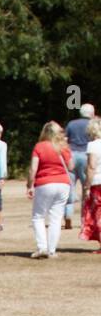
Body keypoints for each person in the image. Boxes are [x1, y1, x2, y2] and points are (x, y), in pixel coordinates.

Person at [26, 121, 72, 259]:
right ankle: (52, 250)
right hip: (63, 183)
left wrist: (30, 185)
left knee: (38, 216)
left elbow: (33, 168)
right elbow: (71, 166)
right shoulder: (63, 147)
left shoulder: (39, 146)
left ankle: (42, 248)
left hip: (44, 183)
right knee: (56, 218)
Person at [63, 101, 94, 230]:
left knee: (69, 187)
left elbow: (65, 140)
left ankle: (68, 216)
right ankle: (83, 221)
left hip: (72, 155)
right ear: (91, 113)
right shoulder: (93, 125)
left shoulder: (71, 124)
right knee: (86, 188)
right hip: (86, 155)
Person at [78, 116, 101, 251]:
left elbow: (91, 166)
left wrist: (87, 185)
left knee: (98, 212)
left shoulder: (93, 145)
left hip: (97, 182)